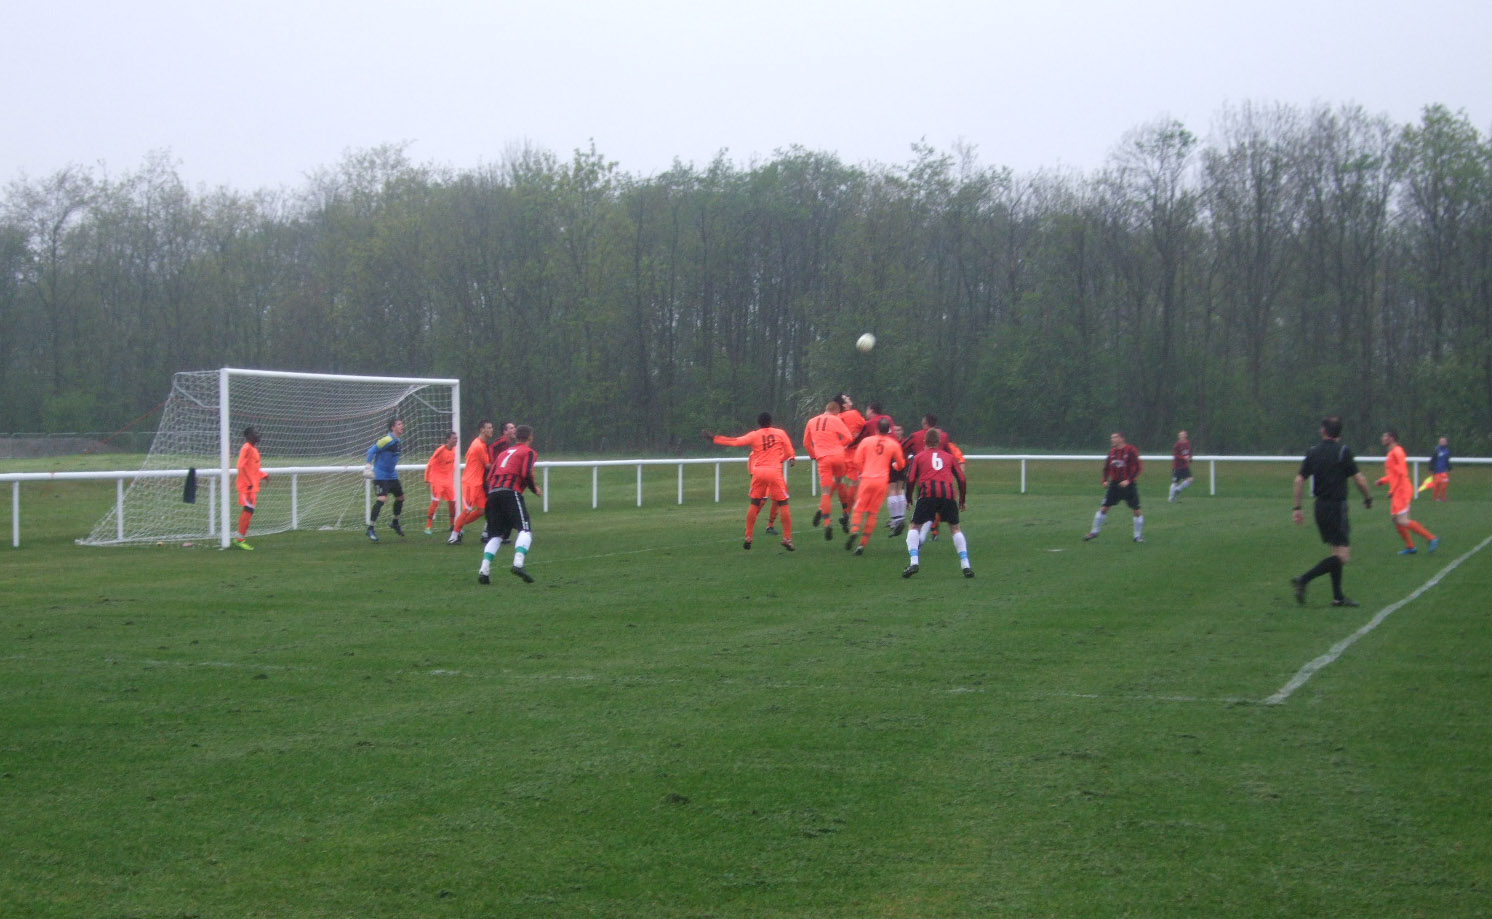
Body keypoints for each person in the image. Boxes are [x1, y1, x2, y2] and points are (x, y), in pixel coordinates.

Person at [1291, 415, 1375, 607]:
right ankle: (1303, 580)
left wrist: (1297, 507)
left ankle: (1338, 597)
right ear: (1339, 433)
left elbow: (1298, 480)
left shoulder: (1313, 452)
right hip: (1336, 507)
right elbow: (1360, 479)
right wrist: (1368, 498)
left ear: (1323, 431)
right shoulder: (1343, 451)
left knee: (1336, 551)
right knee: (1342, 556)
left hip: (1319, 506)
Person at [705, 413, 798, 551]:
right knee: (783, 503)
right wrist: (790, 458)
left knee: (754, 503)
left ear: (759, 423)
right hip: (774, 471)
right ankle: (787, 539)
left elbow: (735, 441)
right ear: (771, 422)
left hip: (758, 471)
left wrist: (715, 438)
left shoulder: (754, 435)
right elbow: (789, 448)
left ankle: (748, 536)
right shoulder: (780, 433)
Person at [902, 428, 973, 578]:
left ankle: (914, 562)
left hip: (927, 495)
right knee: (955, 529)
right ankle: (965, 564)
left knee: (914, 526)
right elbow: (961, 478)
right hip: (948, 495)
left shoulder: (918, 457)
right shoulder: (949, 457)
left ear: (924, 442)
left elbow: (910, 479)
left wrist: (908, 499)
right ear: (939, 442)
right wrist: (962, 499)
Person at [478, 424, 542, 584]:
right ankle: (518, 564)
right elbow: (526, 473)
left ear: (517, 437)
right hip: (510, 492)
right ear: (530, 438)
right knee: (525, 529)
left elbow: (489, 476)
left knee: (497, 535)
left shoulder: (504, 453)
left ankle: (484, 570)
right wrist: (534, 489)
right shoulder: (529, 452)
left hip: (493, 494)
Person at [845, 417, 905, 555]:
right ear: (889, 430)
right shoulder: (893, 444)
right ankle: (862, 545)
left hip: (867, 478)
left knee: (859, 508)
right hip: (882, 481)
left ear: (876, 429)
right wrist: (895, 465)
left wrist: (862, 470)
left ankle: (854, 530)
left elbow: (857, 460)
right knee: (872, 513)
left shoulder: (866, 441)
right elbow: (901, 464)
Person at [1376, 429, 1438, 555]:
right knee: (1395, 519)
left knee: (1403, 520)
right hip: (1397, 490)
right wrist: (1382, 481)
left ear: (1392, 438)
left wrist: (1392, 490)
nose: (1382, 438)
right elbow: (1393, 475)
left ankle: (1431, 538)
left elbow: (1402, 474)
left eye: (1385, 436)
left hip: (1402, 491)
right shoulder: (1391, 453)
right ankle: (1410, 547)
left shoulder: (1397, 452)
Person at [449, 420, 510, 545]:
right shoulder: (478, 445)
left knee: (483, 510)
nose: (491, 430)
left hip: (478, 481)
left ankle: (460, 526)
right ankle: (453, 536)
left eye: (492, 427)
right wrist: (504, 463)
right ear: (482, 430)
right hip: (471, 482)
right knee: (467, 510)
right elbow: (488, 465)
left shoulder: (481, 444)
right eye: (488, 428)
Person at [802, 400, 854, 541]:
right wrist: (839, 445)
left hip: (823, 457)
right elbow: (849, 437)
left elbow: (806, 443)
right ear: (836, 411)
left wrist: (814, 455)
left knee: (825, 491)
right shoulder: (835, 419)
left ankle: (827, 523)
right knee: (839, 481)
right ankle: (844, 513)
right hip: (838, 456)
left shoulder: (811, 421)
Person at [1083, 432, 1144, 543]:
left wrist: (1128, 480)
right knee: (1104, 507)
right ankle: (1094, 532)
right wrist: (1105, 480)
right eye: (1112, 438)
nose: (1113, 440)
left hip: (1129, 486)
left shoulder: (1131, 450)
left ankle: (1137, 536)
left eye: (1115, 437)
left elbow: (1138, 467)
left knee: (1136, 510)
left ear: (1122, 438)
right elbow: (1106, 468)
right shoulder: (1111, 452)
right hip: (1115, 485)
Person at [364, 418, 405, 541]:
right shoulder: (387, 440)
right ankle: (370, 528)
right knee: (382, 498)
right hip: (380, 475)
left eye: (402, 424)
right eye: (399, 424)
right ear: (393, 428)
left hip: (392, 475)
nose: (402, 426)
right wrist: (368, 466)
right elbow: (371, 451)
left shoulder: (398, 440)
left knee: (400, 498)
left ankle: (395, 522)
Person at [233, 426, 268, 550]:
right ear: (249, 436)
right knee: (247, 510)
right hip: (246, 486)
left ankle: (240, 537)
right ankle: (239, 539)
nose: (259, 435)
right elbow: (240, 466)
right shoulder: (246, 448)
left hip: (252, 487)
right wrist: (248, 483)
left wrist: (263, 475)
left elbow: (252, 469)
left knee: (249, 511)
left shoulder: (254, 449)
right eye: (256, 433)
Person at [423, 431, 459, 534]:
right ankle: (428, 527)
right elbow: (430, 463)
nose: (456, 440)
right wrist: (427, 479)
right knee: (435, 502)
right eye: (453, 438)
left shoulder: (455, 450)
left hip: (448, 481)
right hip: (437, 480)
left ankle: (452, 525)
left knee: (453, 502)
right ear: (448, 440)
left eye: (456, 438)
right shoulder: (440, 450)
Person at [1168, 430, 1194, 502]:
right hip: (1177, 467)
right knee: (1175, 482)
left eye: (1183, 435)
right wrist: (1183, 458)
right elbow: (1175, 455)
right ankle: (1171, 498)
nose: (1182, 437)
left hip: (1184, 466)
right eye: (1180, 436)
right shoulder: (1177, 445)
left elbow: (1189, 452)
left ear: (1186, 436)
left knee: (1191, 479)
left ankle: (1178, 489)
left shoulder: (1187, 443)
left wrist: (1190, 458)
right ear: (1179, 437)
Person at [1428, 435, 1451, 501]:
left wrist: (1449, 467)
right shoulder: (1436, 450)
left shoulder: (1447, 450)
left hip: (1443, 470)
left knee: (1444, 484)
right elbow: (1432, 459)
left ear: (1446, 442)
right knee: (1437, 485)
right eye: (1441, 441)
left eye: (1443, 441)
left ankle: (1443, 497)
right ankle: (1435, 498)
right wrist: (1431, 468)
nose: (1442, 442)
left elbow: (1447, 460)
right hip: (1437, 470)